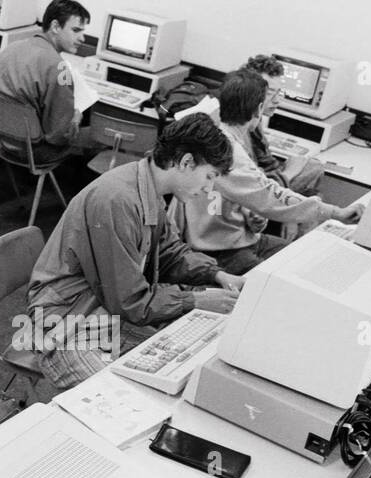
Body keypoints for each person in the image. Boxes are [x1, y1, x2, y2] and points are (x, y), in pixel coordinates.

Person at [26, 113, 244, 390]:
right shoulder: (117, 199)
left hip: (102, 307)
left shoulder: (147, 189)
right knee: (117, 403)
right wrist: (194, 301)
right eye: (209, 177)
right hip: (65, 324)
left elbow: (169, 253)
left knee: (177, 374)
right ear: (186, 162)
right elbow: (130, 301)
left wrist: (217, 275)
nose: (208, 189)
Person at [172, 69, 364, 276]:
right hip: (219, 250)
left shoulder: (218, 136)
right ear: (258, 110)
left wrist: (248, 212)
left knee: (299, 256)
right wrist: (336, 213)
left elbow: (239, 191)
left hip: (233, 236)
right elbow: (268, 195)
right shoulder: (229, 150)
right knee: (296, 272)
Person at [0, 0, 91, 159]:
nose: (82, 38)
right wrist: (76, 118)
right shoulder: (59, 67)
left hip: (2, 139)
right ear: (55, 26)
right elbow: (59, 135)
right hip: (34, 151)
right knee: (96, 137)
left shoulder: (13, 47)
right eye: (76, 30)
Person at [242, 53, 328, 196]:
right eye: (269, 93)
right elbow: (255, 189)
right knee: (314, 172)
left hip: (266, 178)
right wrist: (290, 171)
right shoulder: (239, 128)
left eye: (279, 92)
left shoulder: (254, 117)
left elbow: (265, 163)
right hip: (258, 193)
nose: (277, 101)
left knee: (312, 167)